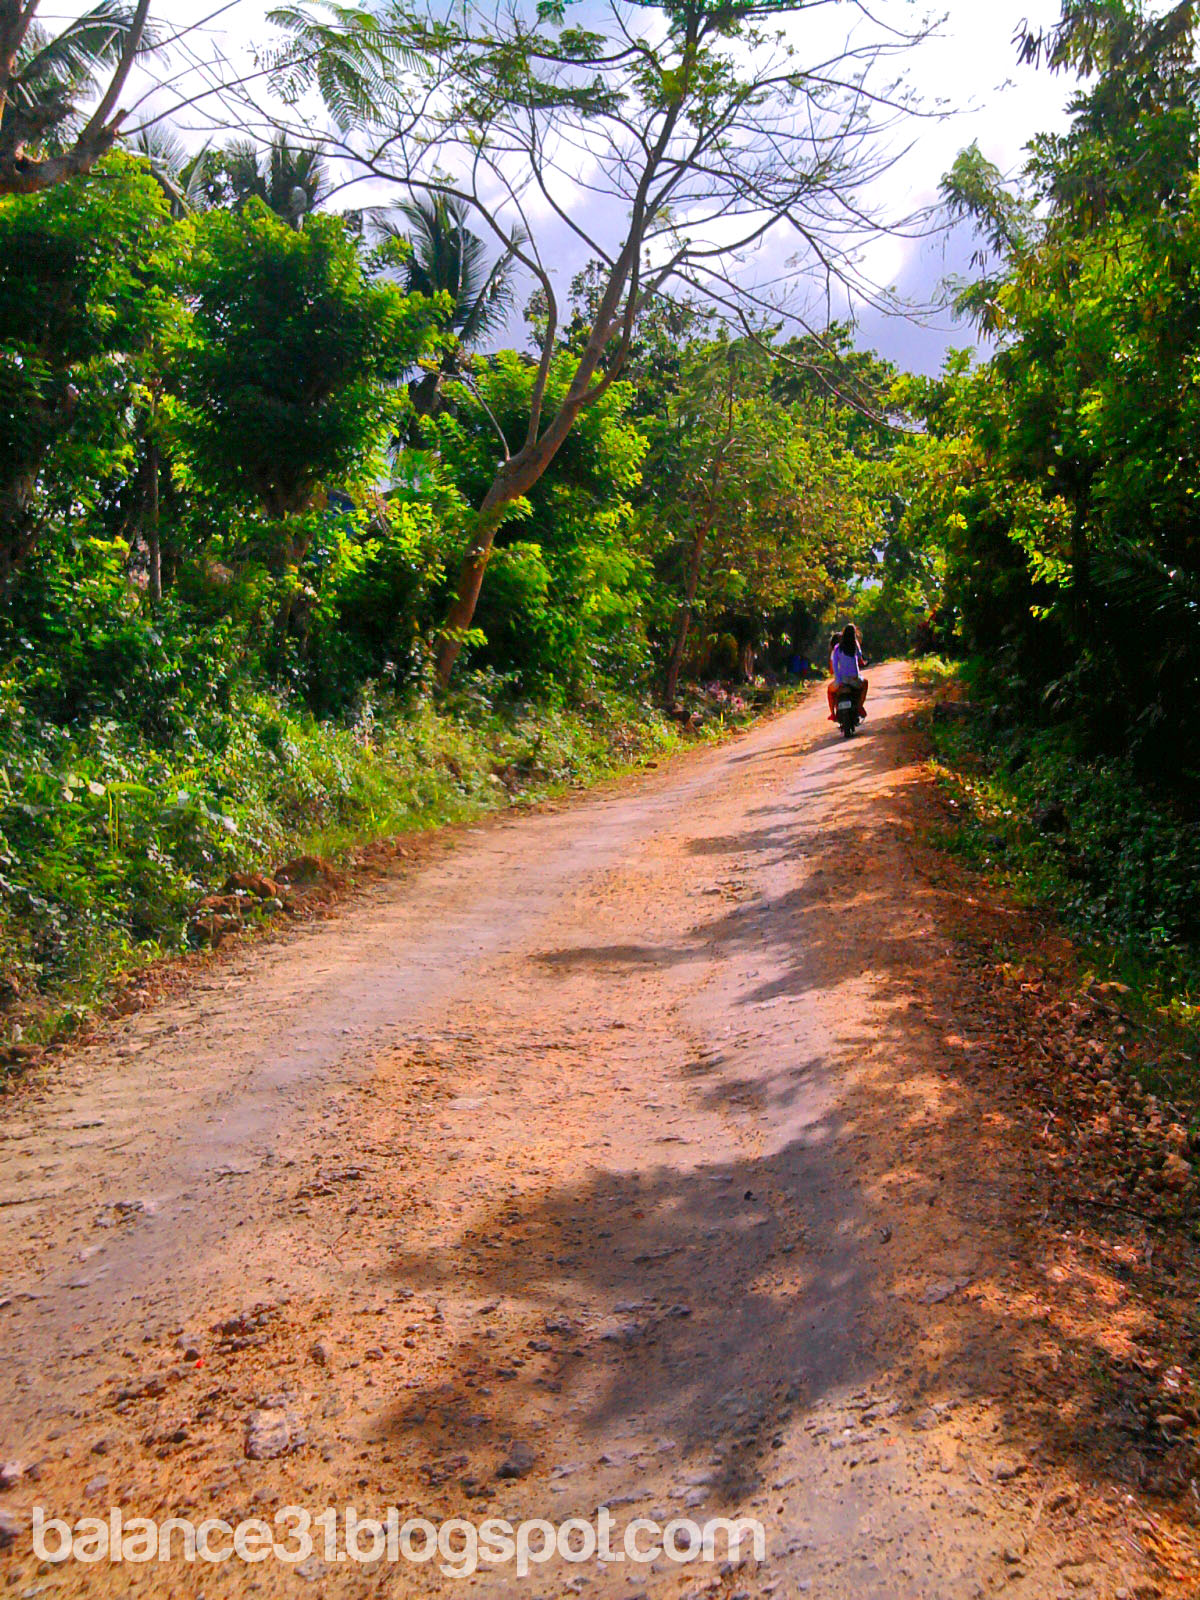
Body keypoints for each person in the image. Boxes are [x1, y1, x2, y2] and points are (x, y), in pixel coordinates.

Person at [828, 623, 868, 721]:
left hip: (841, 680)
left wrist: (838, 679)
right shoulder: (855, 645)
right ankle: (859, 707)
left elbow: (834, 665)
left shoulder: (837, 648)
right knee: (865, 683)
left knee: (829, 690)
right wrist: (863, 662)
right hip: (854, 679)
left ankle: (832, 714)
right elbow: (860, 660)